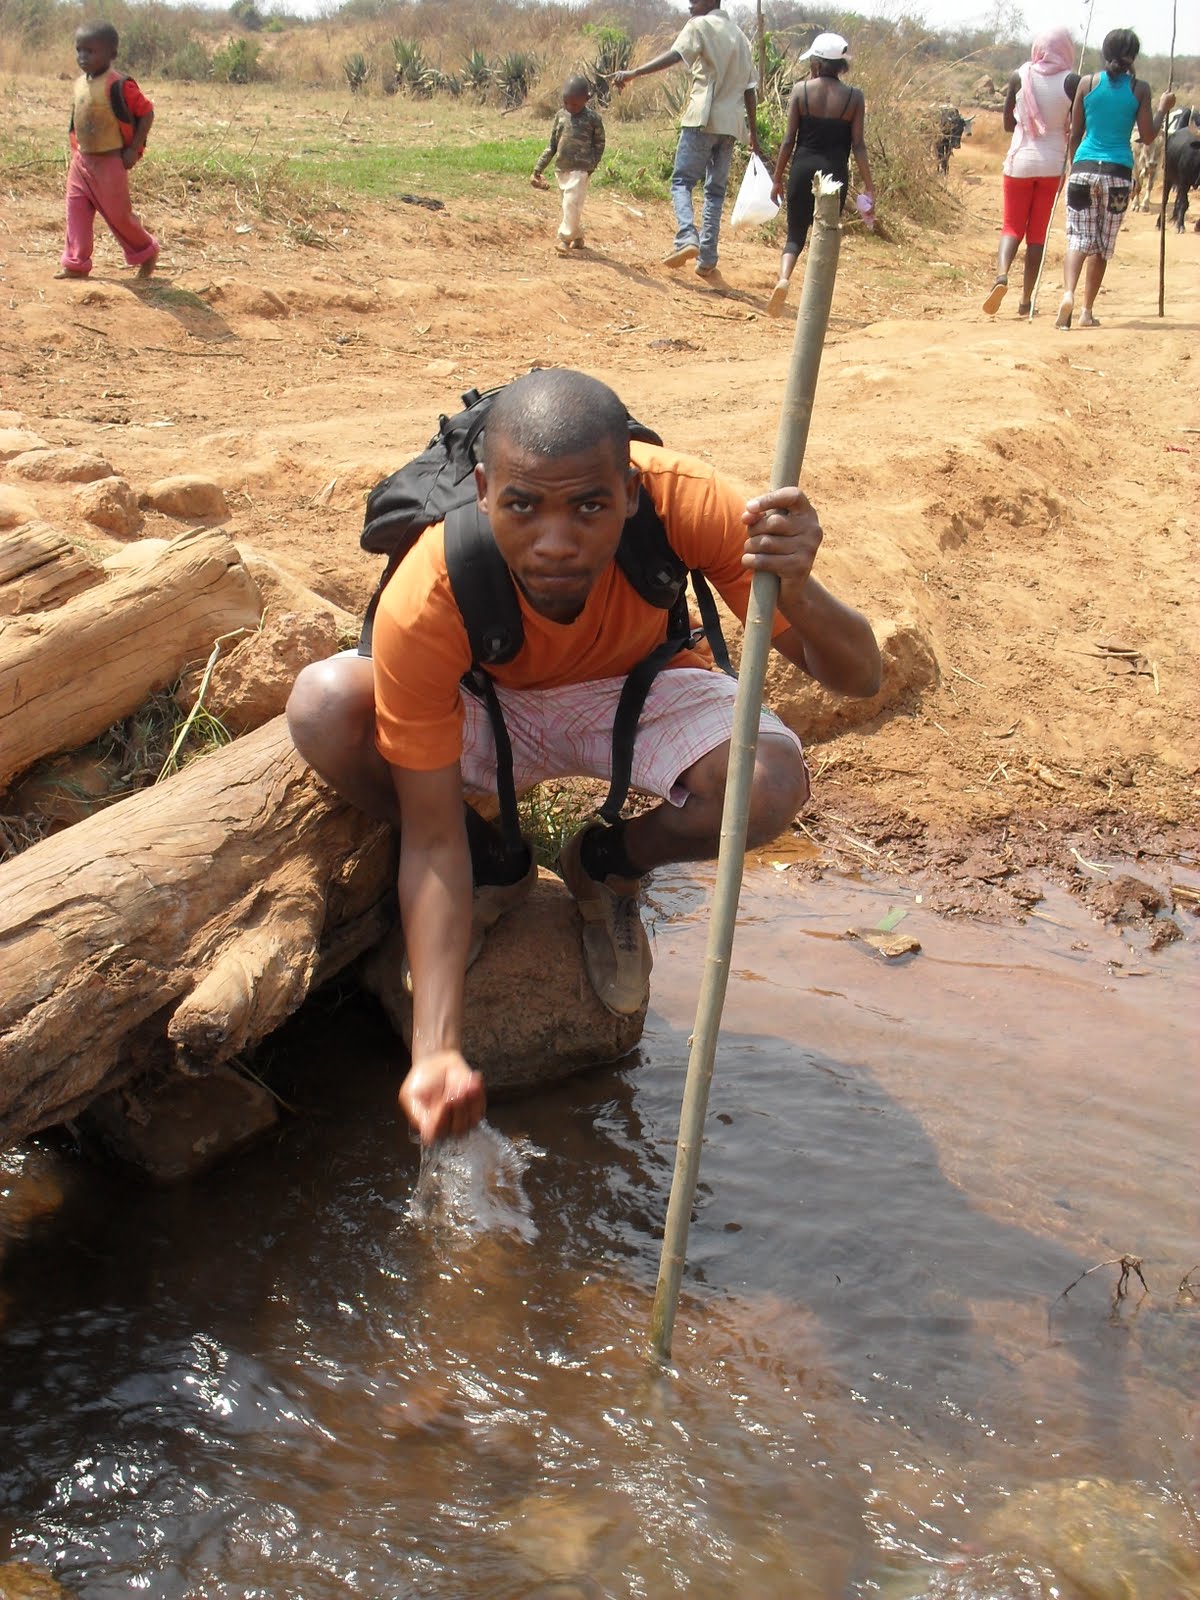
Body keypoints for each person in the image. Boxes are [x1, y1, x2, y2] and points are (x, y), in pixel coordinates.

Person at [287, 369, 881, 1145]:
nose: (556, 543)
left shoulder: (693, 503)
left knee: (765, 785)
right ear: (481, 488)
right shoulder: (431, 586)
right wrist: (436, 1051)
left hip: (635, 688)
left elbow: (859, 676)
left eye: (590, 507)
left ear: (631, 491)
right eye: (523, 506)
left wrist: (796, 588)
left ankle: (607, 864)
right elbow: (428, 839)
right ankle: (497, 862)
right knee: (325, 706)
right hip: (486, 705)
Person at [610, 0, 760, 279]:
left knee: (681, 182)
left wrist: (634, 73)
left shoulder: (699, 26)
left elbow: (675, 55)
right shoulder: (740, 37)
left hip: (701, 118)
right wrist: (754, 135)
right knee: (715, 192)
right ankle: (707, 257)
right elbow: (750, 90)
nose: (690, 3)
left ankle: (686, 237)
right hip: (731, 126)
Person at [1055, 28, 1174, 329]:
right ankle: (1086, 311)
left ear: (1105, 52)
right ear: (1133, 55)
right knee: (1102, 244)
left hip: (1082, 169)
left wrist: (1073, 168)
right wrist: (1162, 109)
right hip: (1118, 175)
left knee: (1077, 239)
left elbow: (1075, 134)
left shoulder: (1086, 83)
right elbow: (1147, 137)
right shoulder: (1140, 89)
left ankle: (1067, 294)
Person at [767, 32, 875, 318]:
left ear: (815, 62)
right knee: (823, 235)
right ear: (842, 66)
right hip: (834, 174)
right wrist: (869, 185)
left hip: (802, 168)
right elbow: (859, 145)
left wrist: (777, 178)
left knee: (795, 234)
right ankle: (814, 302)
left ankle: (784, 279)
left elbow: (789, 140)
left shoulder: (801, 91)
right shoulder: (854, 98)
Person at [985, 28, 1078, 317]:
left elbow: (1008, 125)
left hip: (1020, 162)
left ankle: (1001, 276)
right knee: (1037, 233)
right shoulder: (1072, 81)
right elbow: (1074, 125)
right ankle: (1026, 301)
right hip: (1053, 165)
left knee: (1012, 226)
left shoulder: (1020, 75)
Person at [58, 22, 158, 281]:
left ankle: (146, 251)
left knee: (118, 215)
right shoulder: (80, 83)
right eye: (79, 50)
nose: (83, 57)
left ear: (111, 54)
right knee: (75, 210)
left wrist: (134, 149)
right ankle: (76, 264)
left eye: (90, 51)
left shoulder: (120, 84)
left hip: (110, 162)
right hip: (82, 160)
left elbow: (146, 113)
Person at [531, 75, 606, 256]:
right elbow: (552, 145)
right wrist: (538, 168)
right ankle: (578, 236)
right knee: (570, 206)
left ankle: (564, 240)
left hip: (581, 170)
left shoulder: (593, 119)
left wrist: (591, 165)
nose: (571, 107)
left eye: (575, 104)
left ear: (586, 99)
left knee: (571, 203)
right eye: (566, 103)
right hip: (562, 169)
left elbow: (600, 144)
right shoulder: (560, 116)